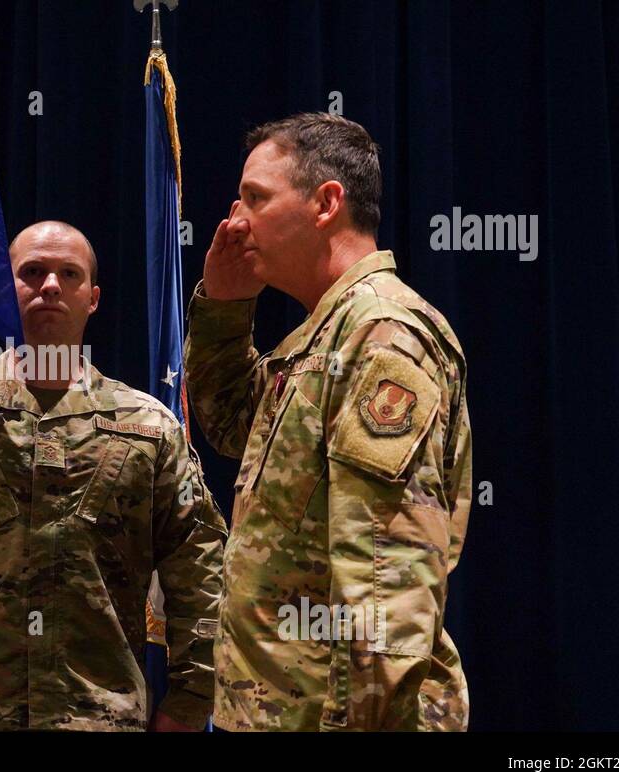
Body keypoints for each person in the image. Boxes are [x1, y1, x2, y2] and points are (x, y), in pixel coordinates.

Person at [0, 221, 227, 731]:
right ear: (3, 288)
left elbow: (200, 566)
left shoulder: (147, 428)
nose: (50, 285)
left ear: (92, 298)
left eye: (68, 274)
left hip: (103, 717)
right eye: (32, 272)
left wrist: (190, 700)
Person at [184, 113, 472, 731]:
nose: (235, 222)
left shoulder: (382, 334)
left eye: (255, 199)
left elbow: (385, 579)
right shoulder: (321, 336)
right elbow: (229, 420)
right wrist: (225, 310)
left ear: (326, 202)